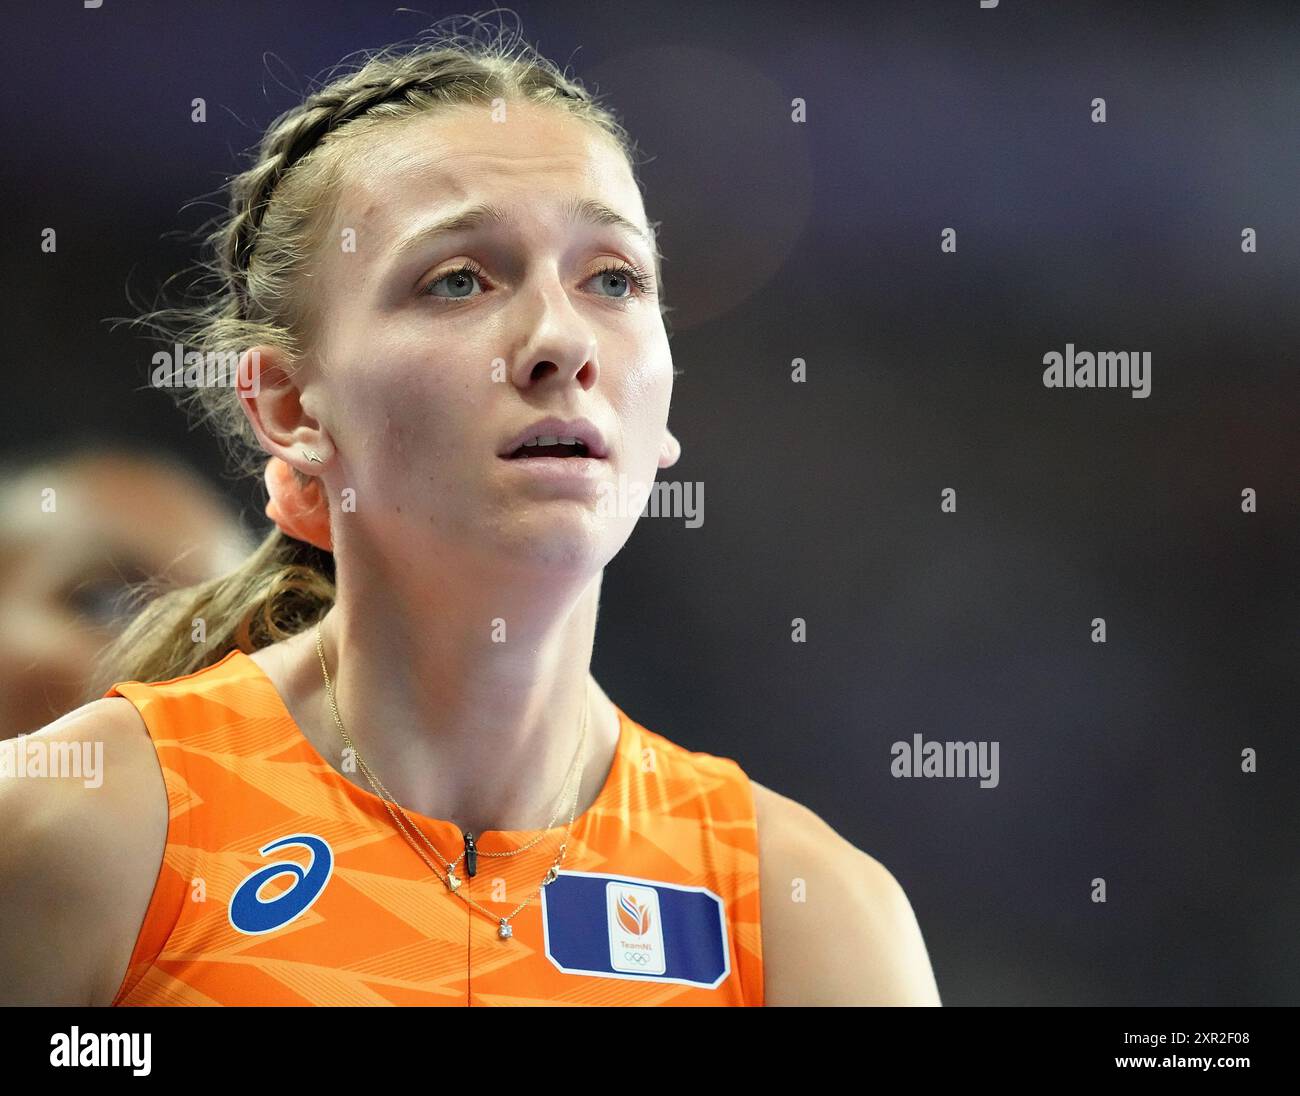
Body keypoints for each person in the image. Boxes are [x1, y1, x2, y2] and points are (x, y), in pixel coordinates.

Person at [0, 16, 941, 1006]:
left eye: (612, 278)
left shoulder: (803, 917)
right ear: (288, 405)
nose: (559, 340)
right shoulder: (73, 834)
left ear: (663, 416)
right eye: (459, 279)